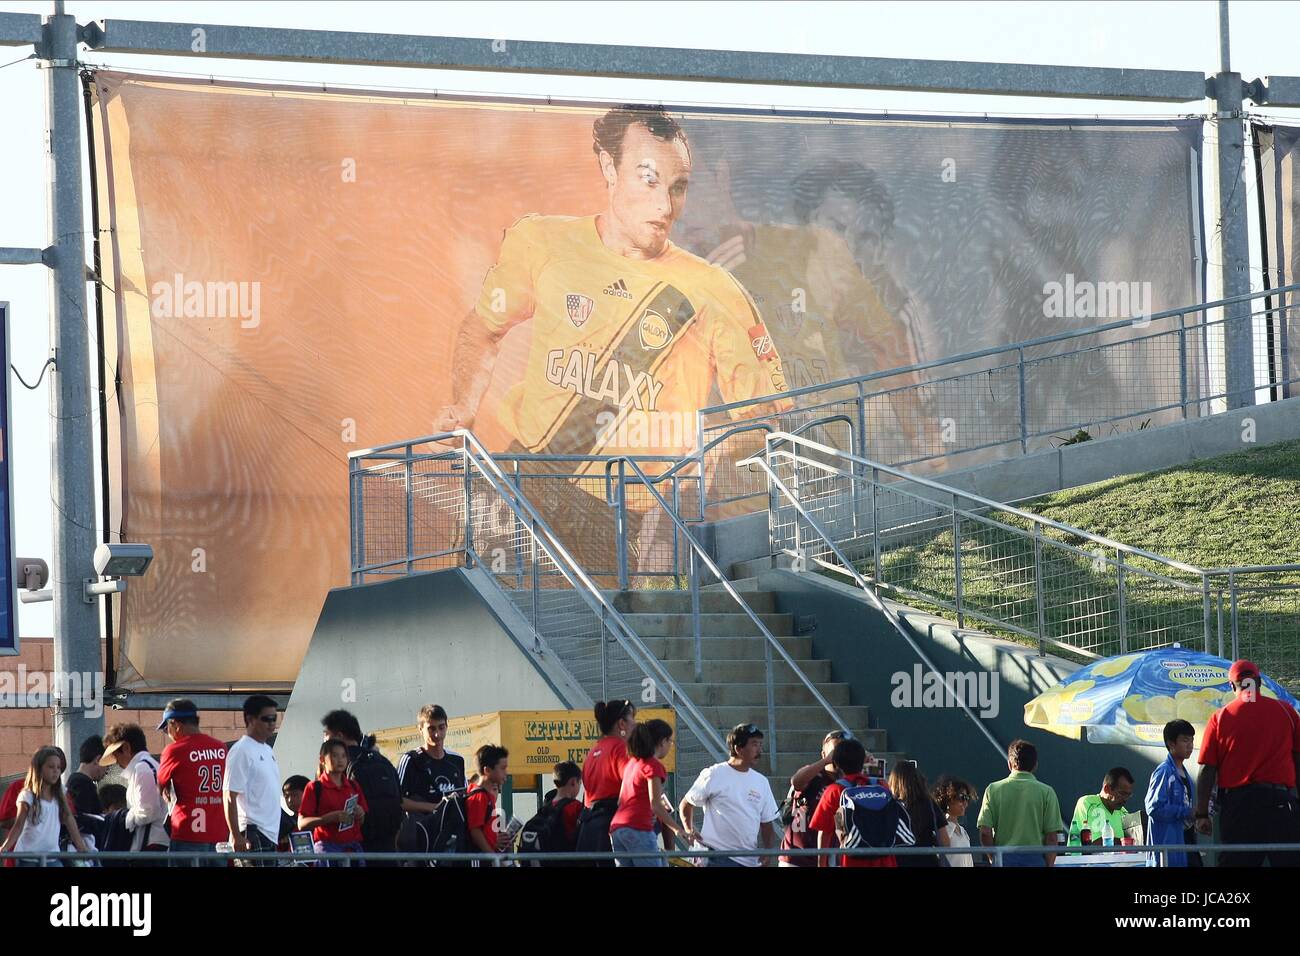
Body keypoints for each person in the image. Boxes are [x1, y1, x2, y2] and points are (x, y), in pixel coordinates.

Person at [437, 105, 792, 575]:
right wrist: (463, 409)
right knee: (484, 604)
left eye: (678, 187)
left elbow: (767, 415)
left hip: (620, 515)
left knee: (588, 622)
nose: (665, 206)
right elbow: (483, 327)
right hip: (524, 477)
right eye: (649, 180)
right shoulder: (542, 242)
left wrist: (716, 445)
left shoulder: (716, 290)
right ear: (609, 167)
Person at [1195, 659, 1300, 866]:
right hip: (1280, 803)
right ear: (1259, 682)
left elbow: (1207, 769)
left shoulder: (1220, 718)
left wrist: (1202, 813)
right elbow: (1298, 760)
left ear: (1231, 685)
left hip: (1239, 806)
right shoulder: (1287, 712)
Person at [679, 723, 780, 868]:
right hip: (715, 857)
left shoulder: (762, 782)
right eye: (754, 744)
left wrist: (768, 852)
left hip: (749, 860)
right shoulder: (714, 773)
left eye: (760, 744)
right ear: (738, 749)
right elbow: (686, 803)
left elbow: (767, 824)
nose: (760, 750)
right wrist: (689, 830)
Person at [808, 736, 909, 867]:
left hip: (852, 861)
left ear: (836, 764)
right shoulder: (881, 785)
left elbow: (824, 832)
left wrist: (821, 864)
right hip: (886, 860)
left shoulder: (835, 791)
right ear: (863, 761)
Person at [321, 709, 404, 862]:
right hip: (388, 843)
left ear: (339, 736)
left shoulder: (336, 764)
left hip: (354, 847)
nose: (324, 740)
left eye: (326, 734)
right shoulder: (382, 760)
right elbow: (400, 801)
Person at [156, 698, 230, 865]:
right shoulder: (221, 748)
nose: (168, 734)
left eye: (166, 729)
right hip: (218, 833)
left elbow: (160, 788)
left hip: (188, 832)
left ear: (175, 724)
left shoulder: (174, 751)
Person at [977, 739, 1063, 867]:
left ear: (1009, 764)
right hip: (1035, 860)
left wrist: (994, 858)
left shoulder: (992, 790)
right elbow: (1052, 837)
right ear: (1035, 765)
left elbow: (985, 832)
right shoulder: (1047, 792)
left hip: (1003, 859)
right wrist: (1048, 865)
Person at [0, 746, 90, 865]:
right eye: (51, 767)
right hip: (28, 856)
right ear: (39, 769)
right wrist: (6, 847)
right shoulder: (27, 795)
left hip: (52, 855)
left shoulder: (60, 792)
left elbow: (69, 818)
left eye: (58, 767)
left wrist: (81, 846)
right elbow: (19, 824)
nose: (56, 771)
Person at [610, 719, 682, 867]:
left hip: (617, 828)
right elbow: (656, 804)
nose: (670, 746)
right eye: (670, 741)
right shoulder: (653, 765)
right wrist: (678, 829)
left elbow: (620, 800)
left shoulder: (632, 763)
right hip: (638, 828)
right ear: (662, 742)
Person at [223, 694, 283, 866]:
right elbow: (229, 795)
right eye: (266, 719)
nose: (272, 723)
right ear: (250, 719)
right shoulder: (241, 750)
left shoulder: (267, 750)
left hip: (270, 833)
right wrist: (236, 835)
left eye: (274, 718)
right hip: (252, 831)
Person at [575, 699, 636, 864]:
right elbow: (632, 782)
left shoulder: (593, 751)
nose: (635, 723)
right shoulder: (620, 748)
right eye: (632, 718)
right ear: (621, 724)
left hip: (588, 828)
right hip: (609, 826)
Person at [780, 730, 850, 867]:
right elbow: (796, 782)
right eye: (837, 751)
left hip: (828, 855)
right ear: (824, 754)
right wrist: (827, 761)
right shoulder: (813, 774)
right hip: (797, 855)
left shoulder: (848, 782)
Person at [100, 723, 169, 859]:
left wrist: (124, 817)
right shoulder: (148, 766)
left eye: (115, 755)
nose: (116, 762)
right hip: (154, 843)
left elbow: (148, 811)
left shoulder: (142, 769)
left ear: (126, 748)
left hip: (150, 845)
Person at [299, 739, 369, 865]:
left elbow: (362, 821)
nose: (340, 760)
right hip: (327, 849)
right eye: (335, 755)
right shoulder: (314, 787)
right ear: (322, 759)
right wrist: (329, 818)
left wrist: (360, 813)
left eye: (343, 756)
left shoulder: (353, 785)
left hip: (353, 849)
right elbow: (301, 823)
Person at [1145, 719, 1200, 867]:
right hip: (1167, 849)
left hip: (1185, 843)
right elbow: (1153, 808)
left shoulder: (1185, 774)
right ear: (1171, 743)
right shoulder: (1164, 771)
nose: (1190, 745)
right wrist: (1186, 812)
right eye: (1185, 740)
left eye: (1192, 740)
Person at [397, 703, 466, 816]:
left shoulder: (457, 760)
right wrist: (433, 807)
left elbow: (464, 796)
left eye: (441, 727)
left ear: (447, 727)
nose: (437, 734)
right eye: (431, 729)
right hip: (422, 825)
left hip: (452, 826)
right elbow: (396, 800)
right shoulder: (410, 760)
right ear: (420, 729)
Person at [889, 761, 950, 867]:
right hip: (926, 861)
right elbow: (945, 841)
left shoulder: (889, 806)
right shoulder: (928, 804)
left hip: (897, 862)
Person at [465, 745, 511, 865]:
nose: (506, 773)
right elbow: (475, 831)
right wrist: (493, 857)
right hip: (478, 859)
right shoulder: (479, 796)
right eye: (502, 768)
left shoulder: (485, 795)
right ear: (487, 771)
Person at [1069, 767, 1134, 845]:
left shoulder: (1124, 812)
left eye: (1128, 795)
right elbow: (1096, 844)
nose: (1125, 799)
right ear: (1107, 789)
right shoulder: (1088, 803)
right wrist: (1125, 842)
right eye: (1122, 793)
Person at [932, 775, 978, 868]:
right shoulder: (941, 830)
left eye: (967, 798)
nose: (965, 803)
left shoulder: (963, 832)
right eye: (961, 797)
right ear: (948, 799)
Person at [65, 735, 106, 815]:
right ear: (98, 760)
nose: (106, 771)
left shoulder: (75, 780)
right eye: (107, 765)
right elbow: (85, 817)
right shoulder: (83, 784)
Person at [278, 775, 311, 852]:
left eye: (295, 795)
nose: (290, 800)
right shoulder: (284, 823)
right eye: (286, 796)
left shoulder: (316, 821)